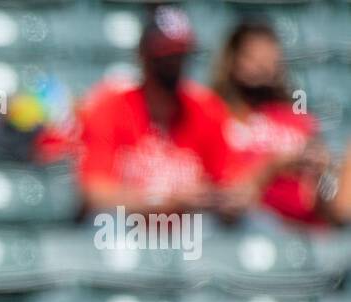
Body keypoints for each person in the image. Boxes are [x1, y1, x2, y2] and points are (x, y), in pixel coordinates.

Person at [76, 5, 253, 220]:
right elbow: (95, 194)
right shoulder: (109, 106)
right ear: (143, 56)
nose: (173, 65)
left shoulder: (206, 108)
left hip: (191, 237)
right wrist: (166, 200)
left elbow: (234, 184)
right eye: (164, 56)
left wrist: (225, 198)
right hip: (127, 234)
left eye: (179, 55)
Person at [211, 18, 348, 227]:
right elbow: (224, 195)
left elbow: (327, 207)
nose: (262, 67)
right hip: (248, 231)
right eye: (253, 58)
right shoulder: (215, 116)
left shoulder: (298, 119)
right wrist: (274, 166)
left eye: (269, 59)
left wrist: (322, 175)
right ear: (233, 61)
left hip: (306, 233)